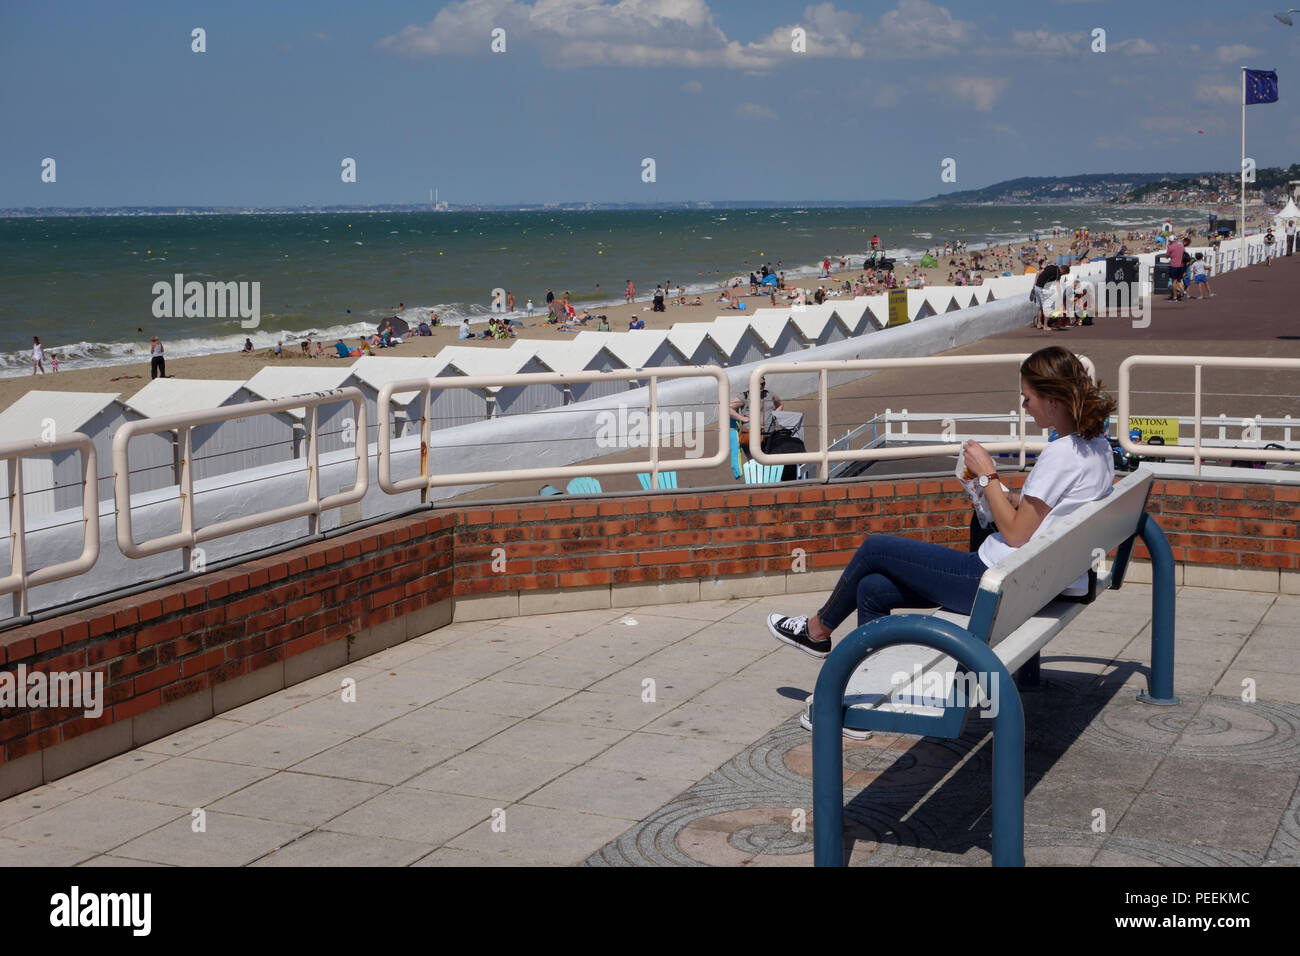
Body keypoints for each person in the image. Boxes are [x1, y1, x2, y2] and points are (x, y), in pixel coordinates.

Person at [767, 347, 1116, 658]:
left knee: (875, 549)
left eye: (1028, 398)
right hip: (1043, 578)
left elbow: (1016, 535)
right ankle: (861, 694)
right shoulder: (1097, 446)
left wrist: (988, 475)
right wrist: (1006, 497)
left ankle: (816, 630)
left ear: (1052, 401)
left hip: (1000, 583)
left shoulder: (1060, 453)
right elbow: (1050, 512)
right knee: (871, 589)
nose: (1023, 407)